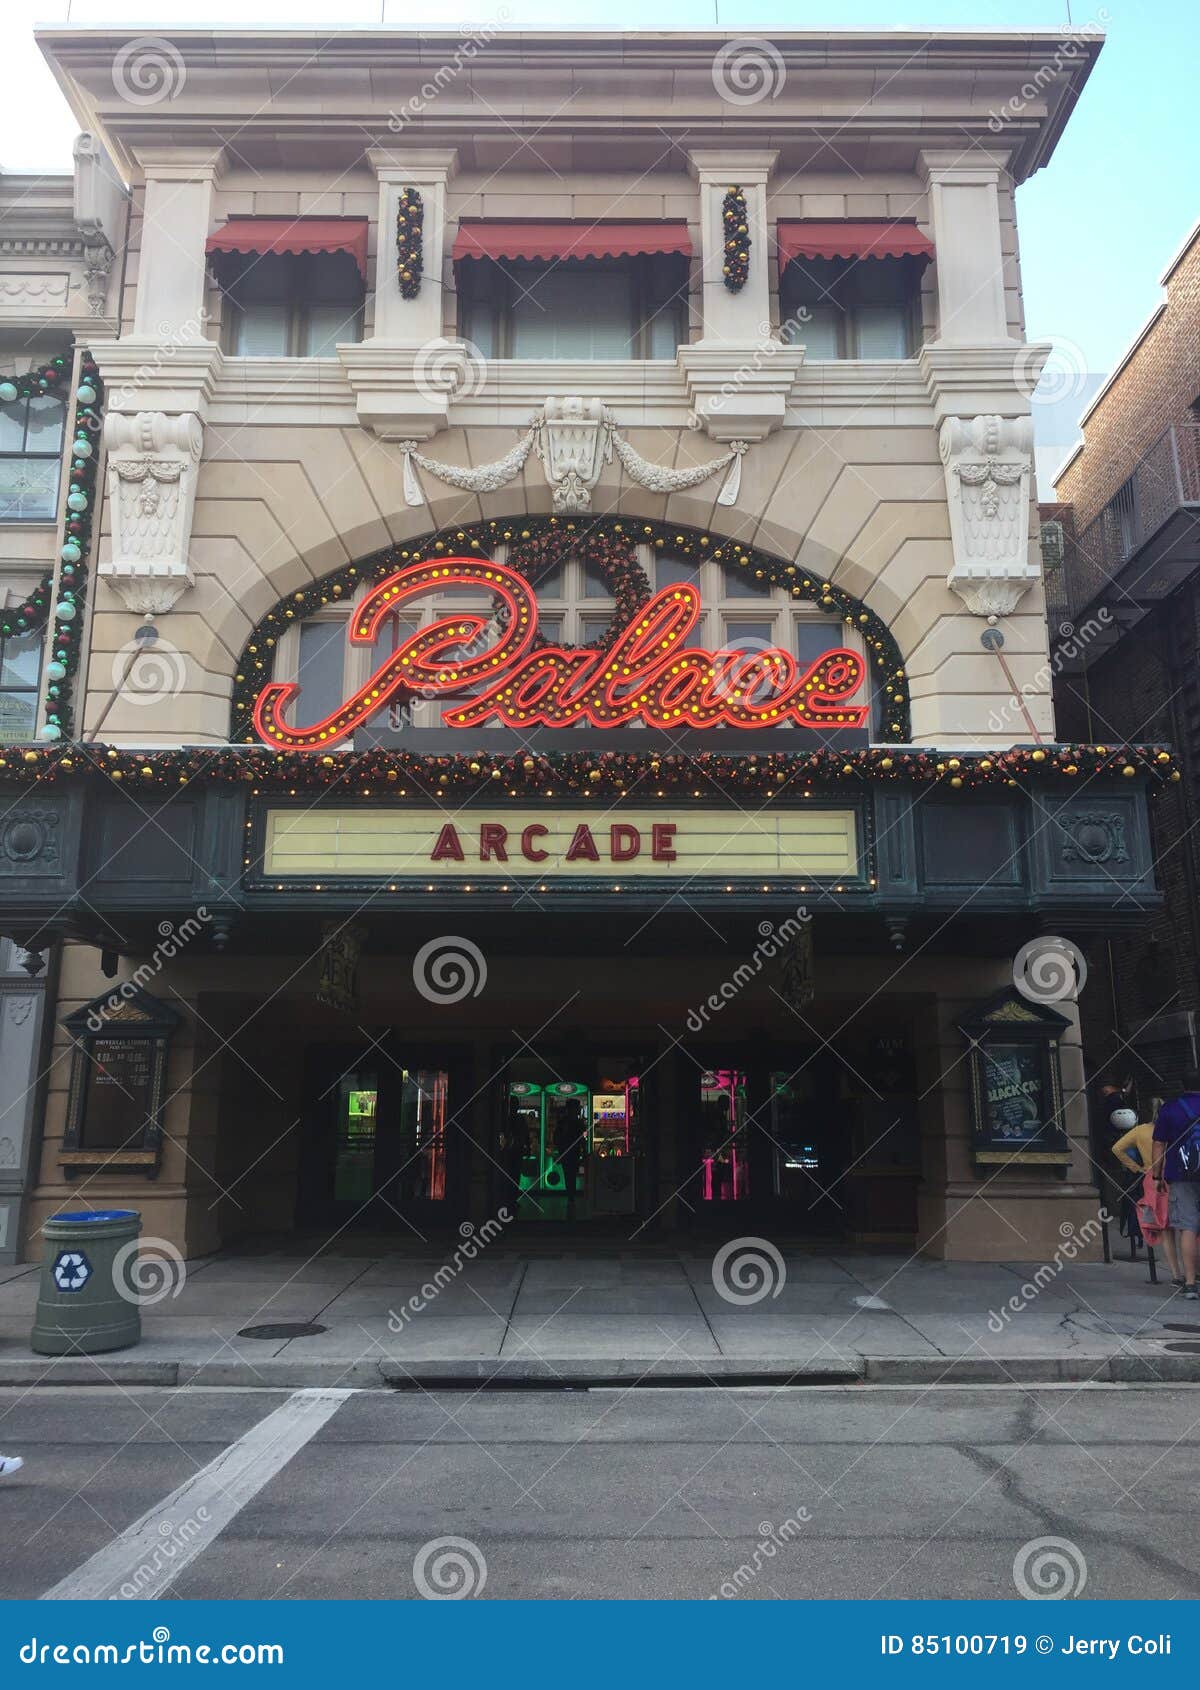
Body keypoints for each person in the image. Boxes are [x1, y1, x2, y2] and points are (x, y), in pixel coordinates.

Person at [1111, 1106, 1181, 1283]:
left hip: (1152, 1177)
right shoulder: (1176, 1127)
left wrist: (1136, 1168)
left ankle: (1176, 1274)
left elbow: (1117, 1148)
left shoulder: (1140, 1130)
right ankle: (1193, 1271)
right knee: (1189, 1227)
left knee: (1165, 1228)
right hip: (1177, 1176)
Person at [1152, 1071, 1200, 1298]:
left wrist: (1156, 1176)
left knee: (1188, 1227)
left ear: (1183, 1085)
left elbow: (1159, 1144)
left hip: (1182, 1174)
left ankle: (1190, 1283)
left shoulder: (1170, 1109)